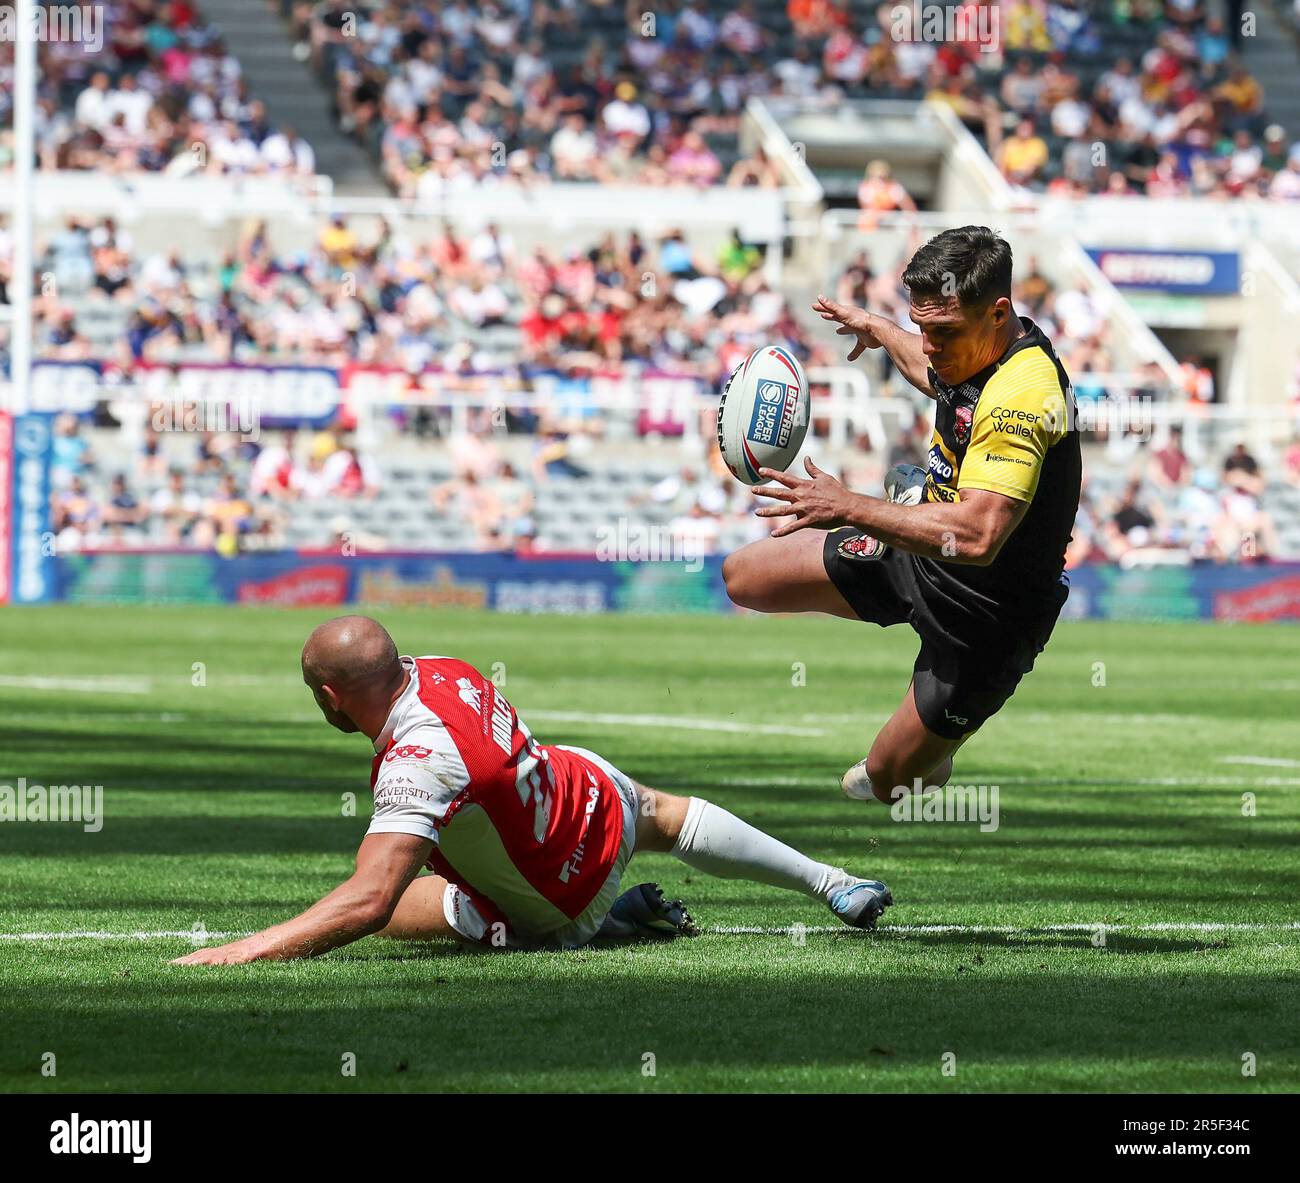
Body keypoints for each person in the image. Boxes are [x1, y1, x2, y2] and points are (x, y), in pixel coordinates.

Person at [172, 617, 891, 965]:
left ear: (331, 697)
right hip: (593, 796)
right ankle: (833, 880)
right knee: (667, 813)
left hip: (563, 897)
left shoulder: (415, 761)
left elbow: (369, 902)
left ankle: (602, 921)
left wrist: (245, 949)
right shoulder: (442, 668)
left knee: (399, 899)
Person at [723, 226, 1081, 807]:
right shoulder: (971, 348)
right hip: (920, 551)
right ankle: (911, 502)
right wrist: (882, 330)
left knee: (883, 783)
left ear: (999, 313)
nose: (931, 345)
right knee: (742, 578)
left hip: (989, 613)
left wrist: (849, 507)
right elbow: (930, 369)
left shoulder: (1025, 392)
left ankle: (926, 754)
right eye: (922, 328)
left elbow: (980, 535)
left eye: (942, 331)